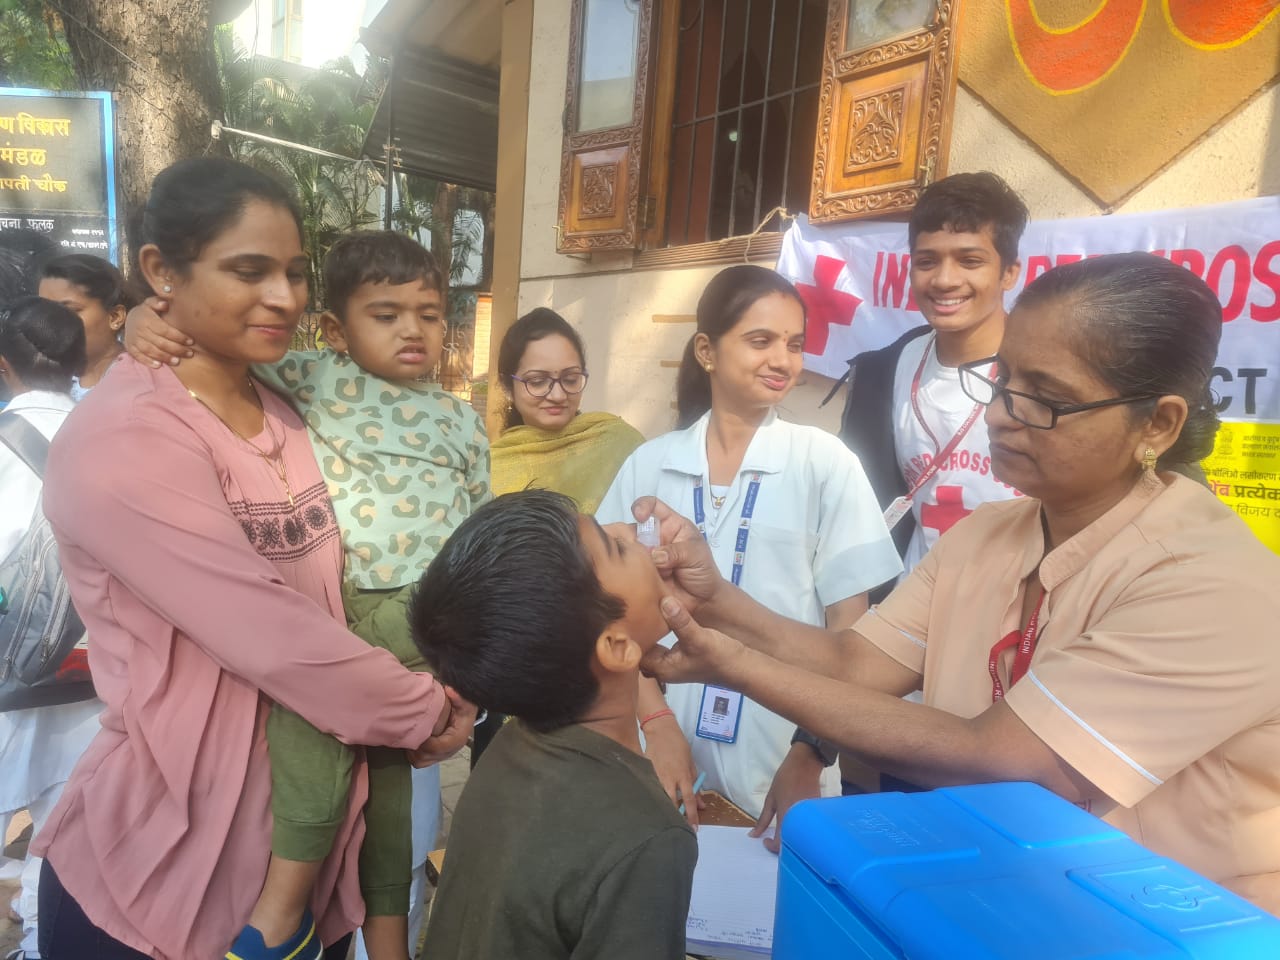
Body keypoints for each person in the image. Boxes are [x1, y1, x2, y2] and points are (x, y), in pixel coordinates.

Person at [634, 253, 1280, 915]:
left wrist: (733, 664)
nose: (1000, 415)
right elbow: (854, 664)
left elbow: (994, 757)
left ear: (1158, 423)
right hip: (1005, 911)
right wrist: (717, 601)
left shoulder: (1210, 581)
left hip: (1166, 929)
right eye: (1001, 381)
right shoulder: (987, 534)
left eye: (1043, 399)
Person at [29, 157, 473, 960]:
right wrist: (424, 711)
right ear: (160, 270)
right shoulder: (123, 440)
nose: (285, 297)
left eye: (296, 273)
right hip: (165, 864)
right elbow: (271, 633)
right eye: (248, 270)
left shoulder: (295, 408)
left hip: (310, 853)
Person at [125, 229, 490, 960]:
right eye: (385, 315)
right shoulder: (319, 378)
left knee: (307, 715)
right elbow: (212, 346)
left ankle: (281, 906)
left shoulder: (460, 418)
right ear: (335, 329)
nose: (412, 329)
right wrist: (143, 317)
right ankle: (389, 946)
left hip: (430, 604)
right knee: (385, 785)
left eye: (427, 312)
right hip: (352, 601)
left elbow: (483, 518)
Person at [597, 264, 901, 821]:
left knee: (767, 898)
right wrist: (656, 724)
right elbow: (607, 613)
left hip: (784, 744)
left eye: (794, 344)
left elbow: (851, 632)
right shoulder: (651, 464)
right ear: (707, 351)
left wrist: (813, 748)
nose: (782, 360)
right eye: (760, 341)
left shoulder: (824, 463)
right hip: (659, 734)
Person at [782, 171, 1030, 805]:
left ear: (1009, 271)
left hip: (1027, 647)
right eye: (928, 261)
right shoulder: (886, 370)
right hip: (914, 648)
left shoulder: (1047, 370)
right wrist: (813, 739)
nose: (945, 280)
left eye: (970, 259)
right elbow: (856, 543)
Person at [409, 490, 698, 960]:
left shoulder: (511, 746)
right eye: (617, 546)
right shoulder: (648, 838)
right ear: (618, 648)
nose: (630, 531)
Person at [0, 296, 97, 960]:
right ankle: (40, 942)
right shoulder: (115, 439)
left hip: (4, 677)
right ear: (76, 365)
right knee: (63, 837)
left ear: (4, 366)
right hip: (90, 681)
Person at [491, 308, 643, 514]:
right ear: (507, 385)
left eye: (570, 379)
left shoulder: (621, 444)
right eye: (537, 381)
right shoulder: (490, 468)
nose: (558, 395)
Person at [38, 254, 135, 401]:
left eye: (68, 311)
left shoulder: (137, 382)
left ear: (115, 317)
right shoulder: (42, 377)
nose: (50, 322)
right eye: (44, 312)